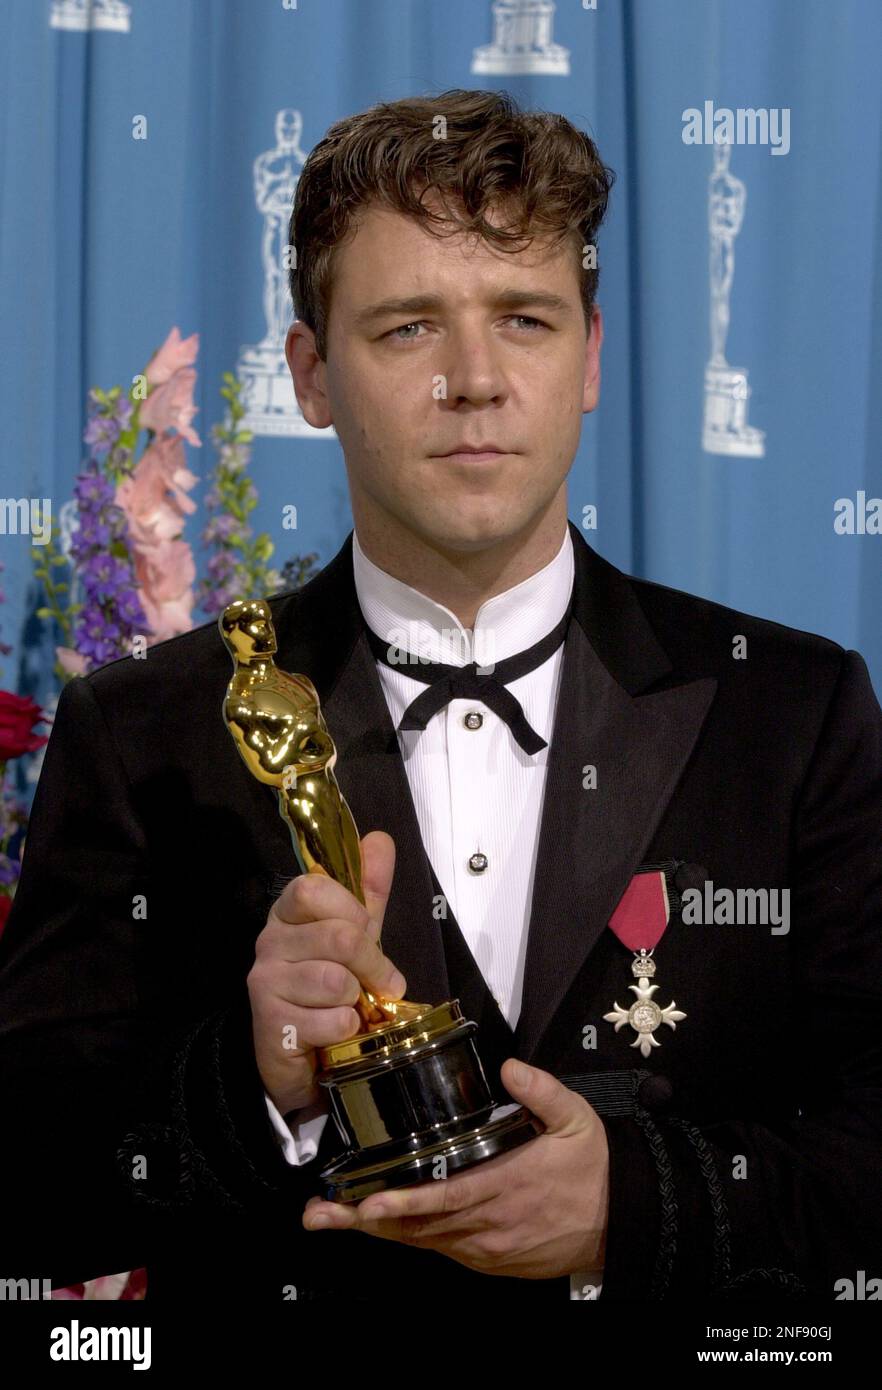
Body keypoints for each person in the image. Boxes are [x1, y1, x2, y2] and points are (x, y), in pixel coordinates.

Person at [1, 87, 880, 1305]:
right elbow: (32, 1189)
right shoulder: (147, 728)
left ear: (589, 358)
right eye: (409, 328)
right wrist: (255, 1085)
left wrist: (635, 1206)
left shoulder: (792, 713)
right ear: (310, 373)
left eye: (523, 319)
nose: (474, 377)